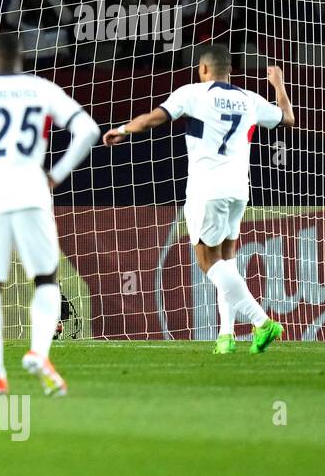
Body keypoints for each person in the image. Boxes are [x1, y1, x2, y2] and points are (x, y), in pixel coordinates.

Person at [103, 44, 294, 354]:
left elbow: (154, 118)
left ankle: (262, 322)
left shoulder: (193, 93)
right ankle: (226, 336)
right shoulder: (250, 99)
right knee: (226, 260)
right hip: (238, 191)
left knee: (209, 263)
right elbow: (287, 117)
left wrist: (123, 129)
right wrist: (278, 84)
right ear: (229, 71)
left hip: (207, 191)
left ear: (203, 69)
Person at [0, 34, 101, 397]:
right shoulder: (40, 89)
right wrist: (56, 175)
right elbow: (88, 130)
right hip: (31, 192)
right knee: (46, 279)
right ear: (22, 58)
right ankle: (40, 353)